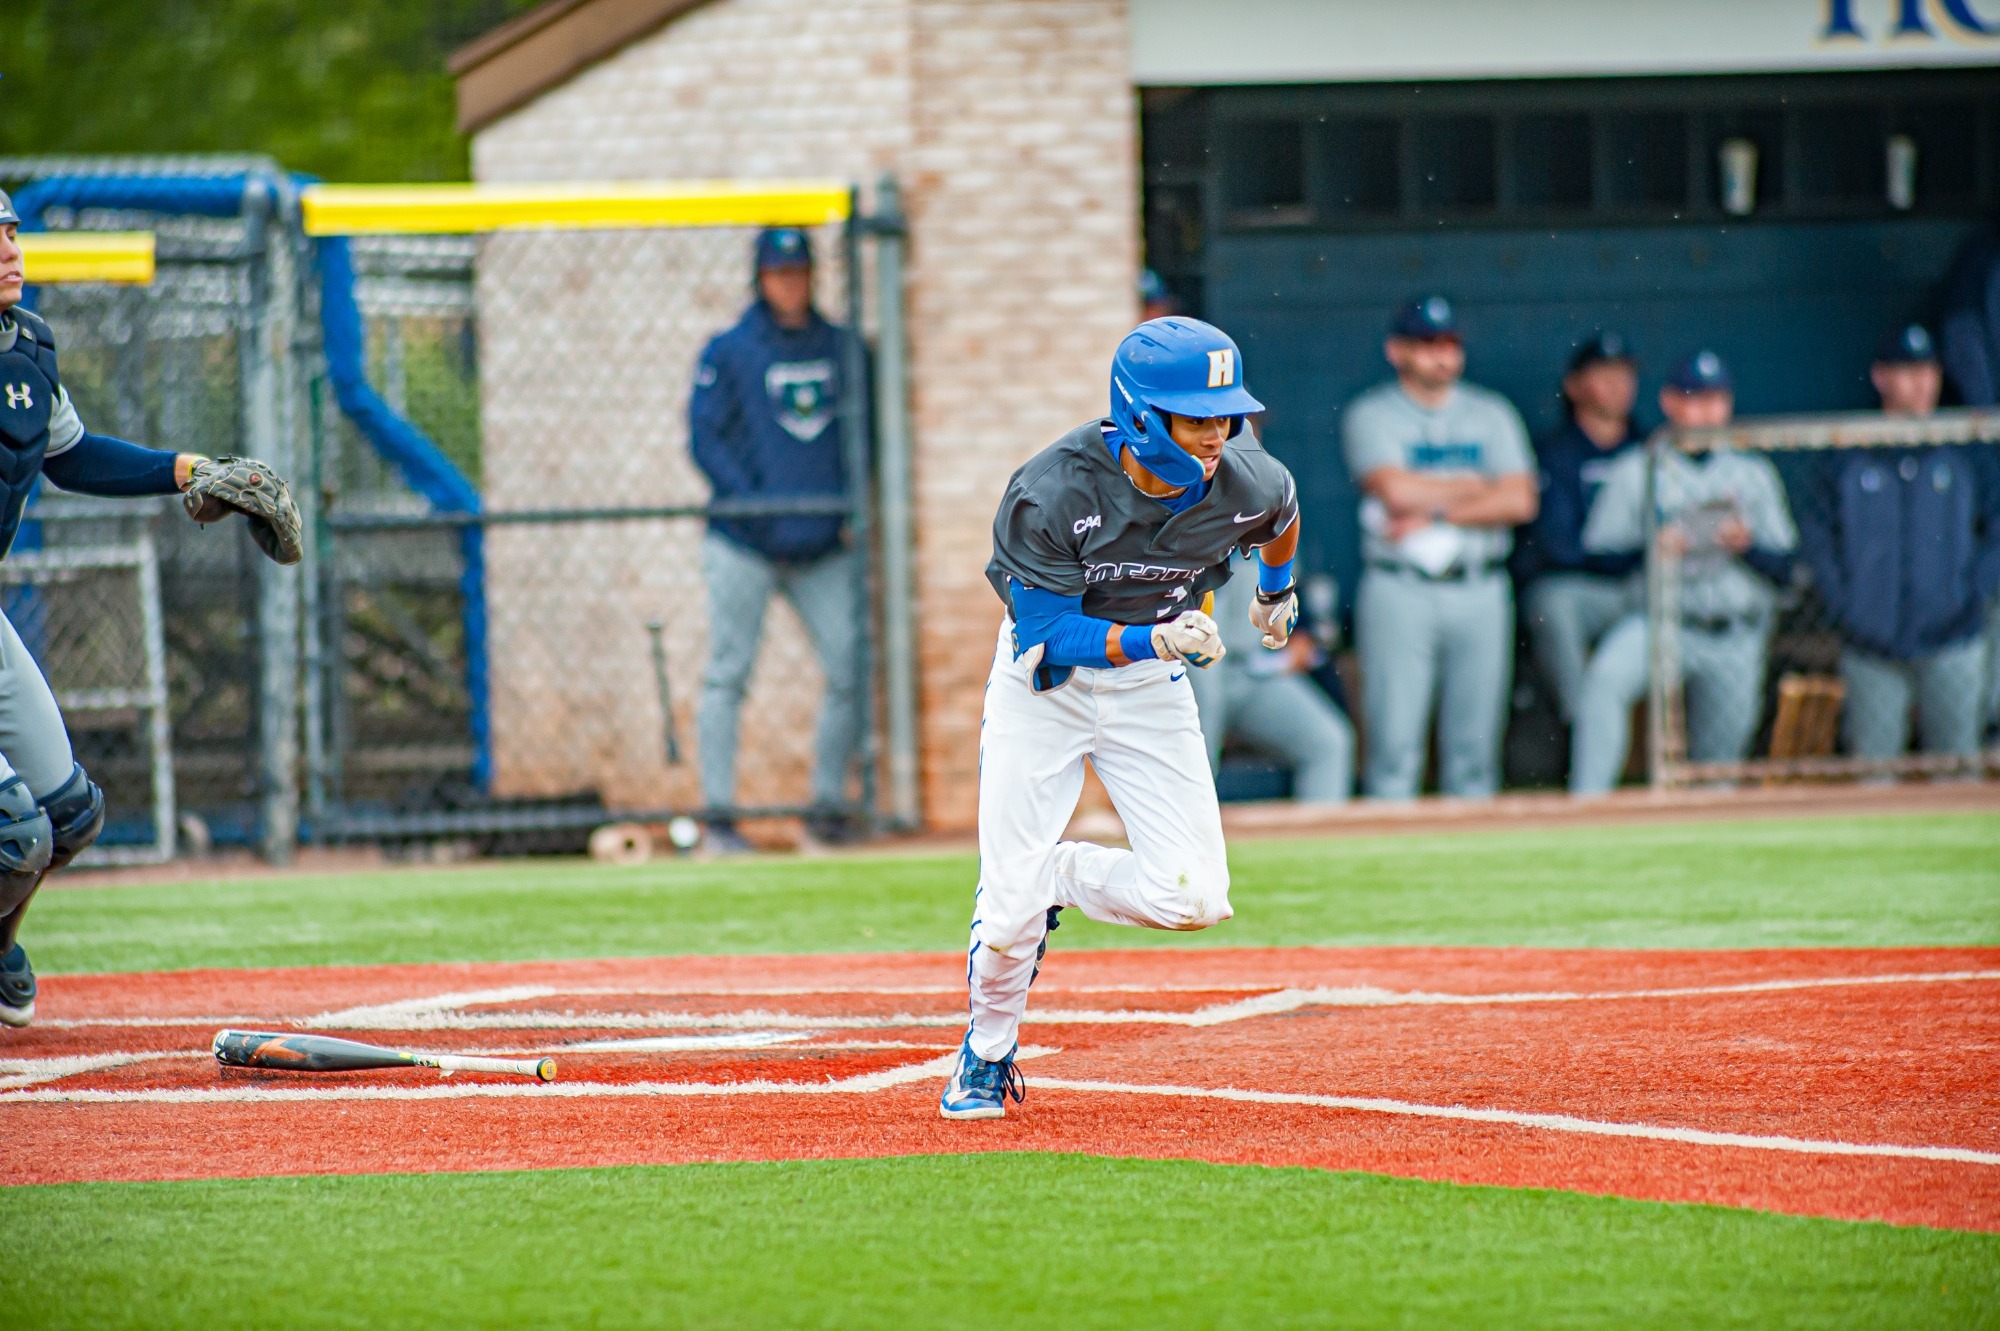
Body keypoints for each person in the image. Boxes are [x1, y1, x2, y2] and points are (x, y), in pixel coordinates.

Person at [942, 316, 1300, 1118]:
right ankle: (987, 1055)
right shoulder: (1051, 490)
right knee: (1005, 914)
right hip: (1050, 683)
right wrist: (1153, 634)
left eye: (1224, 416)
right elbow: (1047, 638)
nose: (1216, 435)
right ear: (1141, 414)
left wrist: (1276, 594)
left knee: (1196, 898)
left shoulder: (1247, 477)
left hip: (1147, 689)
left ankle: (1061, 873)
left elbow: (1280, 516)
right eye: (1196, 416)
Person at [0, 190, 303, 1024]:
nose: (9, 248)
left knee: (65, 816)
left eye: (12, 231)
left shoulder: (26, 349)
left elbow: (73, 456)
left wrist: (192, 470)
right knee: (10, 832)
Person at [689, 227, 866, 853]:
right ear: (760, 280)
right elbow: (704, 440)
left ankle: (824, 810)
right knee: (728, 673)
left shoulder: (841, 347)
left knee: (850, 666)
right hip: (744, 542)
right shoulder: (730, 350)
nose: (789, 285)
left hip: (821, 545)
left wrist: (846, 507)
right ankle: (718, 818)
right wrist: (758, 508)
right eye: (778, 274)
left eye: (798, 273)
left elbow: (863, 439)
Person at [1570, 350, 1798, 794]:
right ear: (1670, 403)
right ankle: (1588, 803)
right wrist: (1649, 549)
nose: (1705, 411)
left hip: (1733, 630)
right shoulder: (1637, 469)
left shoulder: (1753, 474)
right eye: (1694, 398)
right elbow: (1595, 558)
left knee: (1719, 770)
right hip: (1660, 624)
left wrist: (1746, 546)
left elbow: (1787, 568)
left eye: (1715, 399)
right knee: (1604, 682)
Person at [1342, 295, 1537, 800]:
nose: (1441, 355)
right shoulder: (1373, 412)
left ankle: (1474, 873)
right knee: (1394, 749)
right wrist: (1478, 485)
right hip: (1400, 585)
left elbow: (1519, 499)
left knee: (1475, 752)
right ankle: (1389, 868)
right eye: (1427, 344)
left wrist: (1437, 509)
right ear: (1397, 350)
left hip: (1480, 583)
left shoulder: (1491, 413)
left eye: (1449, 343)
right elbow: (1395, 491)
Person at [1798, 324, 2000, 766]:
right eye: (1907, 370)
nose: (1921, 382)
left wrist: (1972, 595)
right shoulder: (1848, 454)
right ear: (1881, 377)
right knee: (1875, 775)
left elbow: (1995, 530)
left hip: (1953, 639)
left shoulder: (1966, 448)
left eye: (1927, 370)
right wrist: (1848, 609)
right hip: (1872, 645)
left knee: (1958, 773)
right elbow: (1817, 538)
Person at [1513, 332, 1645, 728]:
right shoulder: (1554, 452)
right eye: (1603, 374)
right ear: (1574, 386)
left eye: (1624, 374)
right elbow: (1558, 547)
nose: (1617, 384)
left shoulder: (1652, 447)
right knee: (1552, 604)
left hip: (1639, 588)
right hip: (1581, 589)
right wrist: (1625, 552)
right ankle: (1584, 722)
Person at [1189, 552, 1354, 802]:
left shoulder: (1275, 521)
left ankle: (1318, 839)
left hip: (1250, 670)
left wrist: (1301, 634)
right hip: (1190, 666)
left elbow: (1292, 599)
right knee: (1196, 757)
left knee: (1328, 743)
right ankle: (1189, 835)